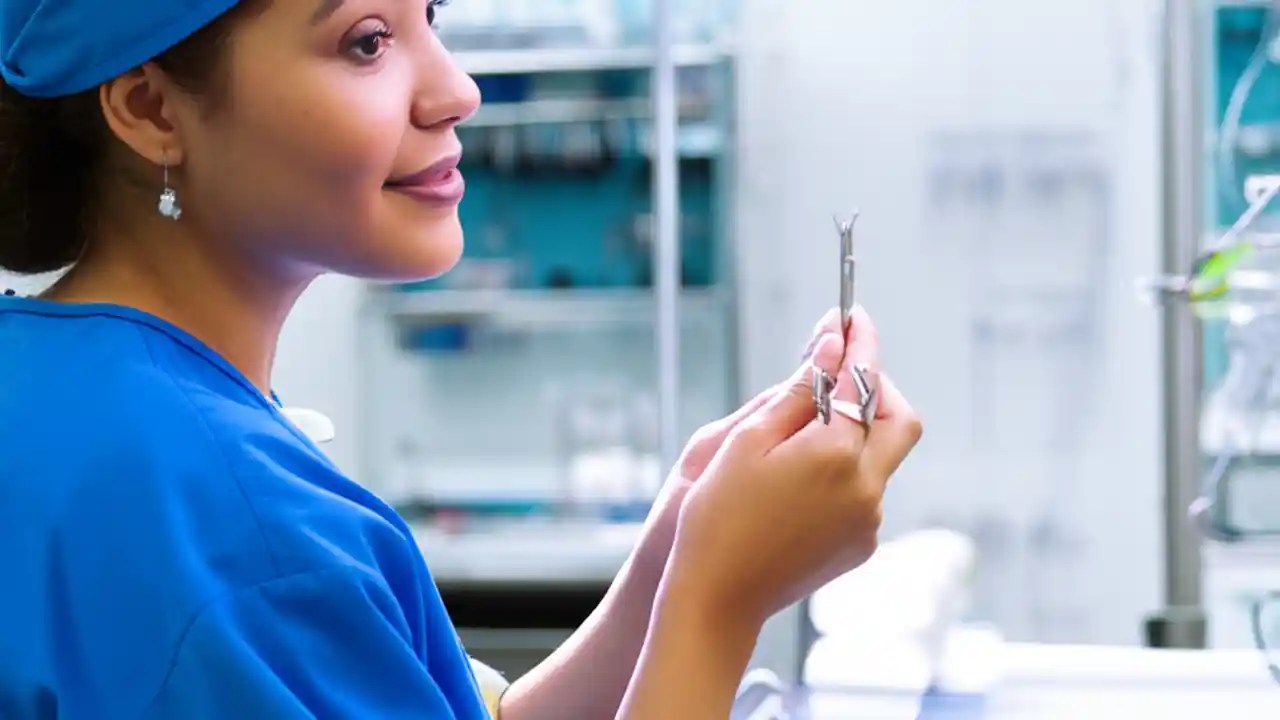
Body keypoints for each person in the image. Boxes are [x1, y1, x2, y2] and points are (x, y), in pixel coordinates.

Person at [0, 1, 922, 718]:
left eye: (429, 17)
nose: (456, 90)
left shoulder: (64, 390)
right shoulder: (240, 537)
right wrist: (721, 602)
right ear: (151, 107)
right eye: (367, 42)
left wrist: (673, 557)